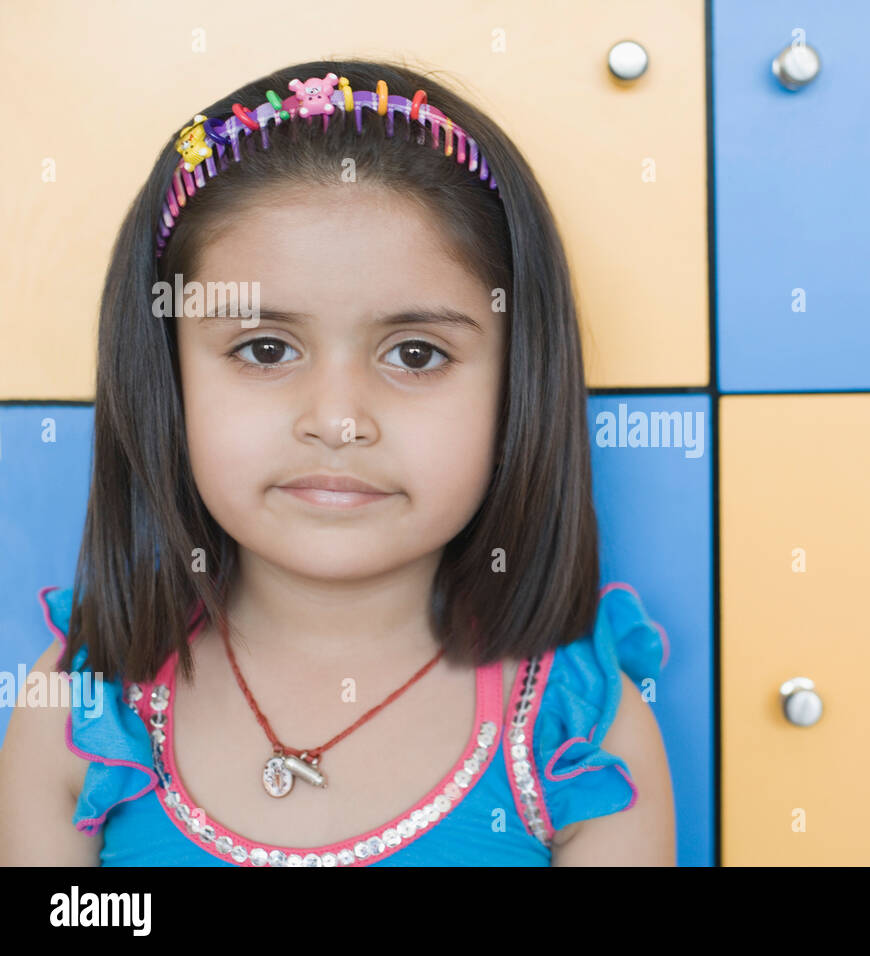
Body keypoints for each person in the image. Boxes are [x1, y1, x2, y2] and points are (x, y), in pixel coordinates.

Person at [0, 59, 674, 867]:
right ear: (167, 377)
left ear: (518, 382)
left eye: (417, 354)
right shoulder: (82, 701)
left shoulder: (579, 728)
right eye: (265, 348)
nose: (338, 420)